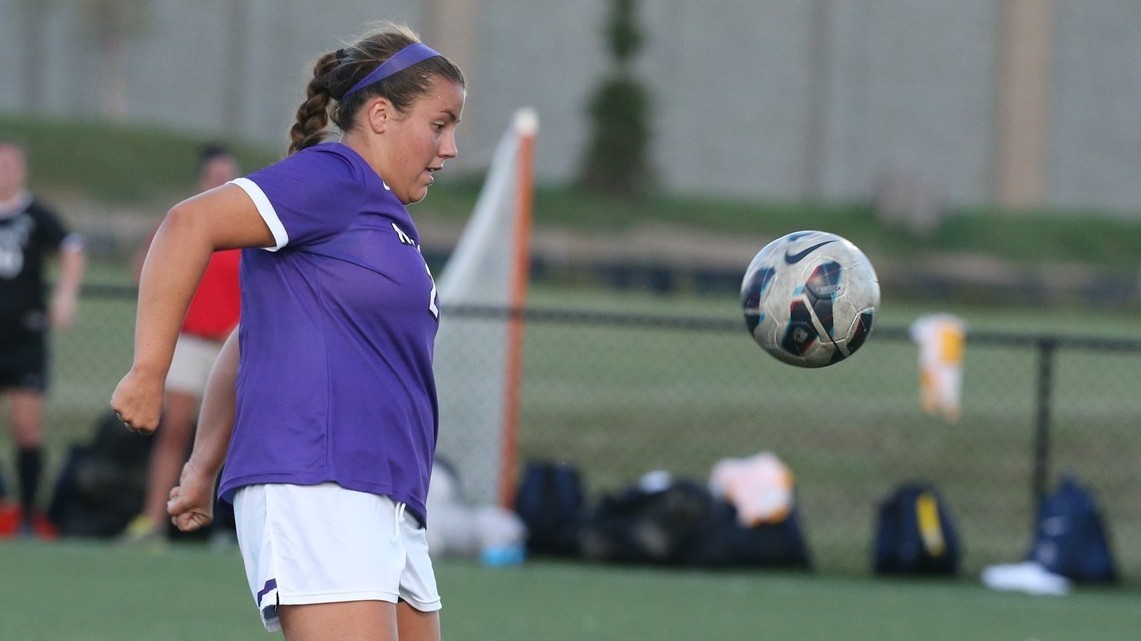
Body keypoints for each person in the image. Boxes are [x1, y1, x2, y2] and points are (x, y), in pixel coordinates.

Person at [111, 22, 465, 641]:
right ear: (380, 115)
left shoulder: (383, 218)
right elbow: (187, 225)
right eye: (440, 124)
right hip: (320, 481)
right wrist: (149, 371)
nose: (451, 146)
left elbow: (252, 339)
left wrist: (202, 463)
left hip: (384, 492)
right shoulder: (336, 176)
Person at [121, 144, 242, 545]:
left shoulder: (246, 226)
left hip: (233, 345)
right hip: (188, 342)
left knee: (232, 434)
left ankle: (226, 525)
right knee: (174, 431)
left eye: (228, 176)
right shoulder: (188, 221)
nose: (221, 183)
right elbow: (148, 267)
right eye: (214, 176)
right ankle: (153, 520)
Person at [0, 137, 87, 537]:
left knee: (28, 429)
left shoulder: (36, 216)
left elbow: (71, 248)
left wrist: (66, 294)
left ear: (23, 170)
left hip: (24, 338)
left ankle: (30, 516)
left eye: (11, 165)